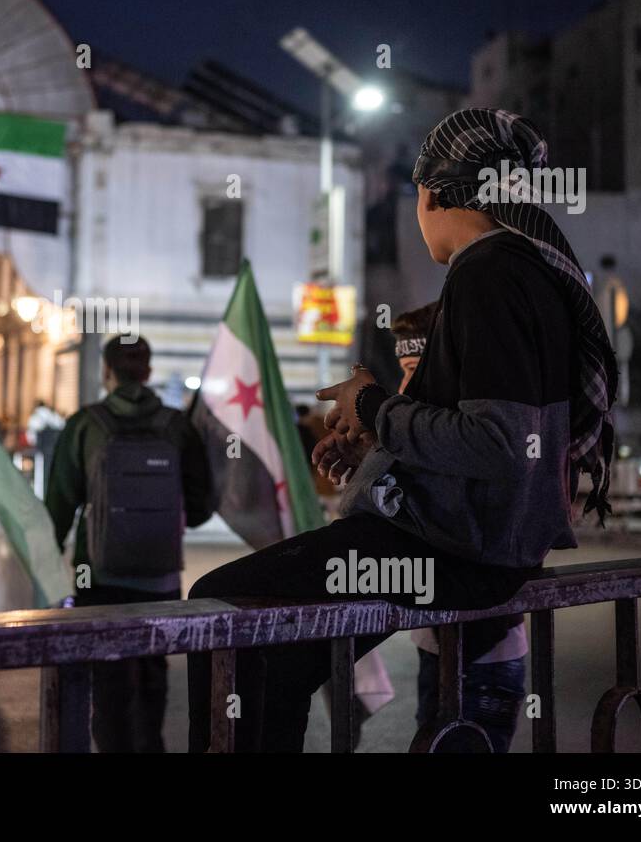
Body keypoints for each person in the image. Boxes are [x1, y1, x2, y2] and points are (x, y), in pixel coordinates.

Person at [188, 108, 617, 752]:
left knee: (221, 605)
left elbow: (499, 445)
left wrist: (374, 409)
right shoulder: (531, 273)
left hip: (452, 554)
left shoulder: (486, 270)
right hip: (484, 550)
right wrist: (379, 441)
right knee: (281, 650)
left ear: (435, 192)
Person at [46, 335, 212, 752]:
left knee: (107, 676)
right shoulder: (177, 425)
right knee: (152, 673)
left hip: (97, 574)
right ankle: (150, 744)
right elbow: (202, 504)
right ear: (149, 372)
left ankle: (112, 746)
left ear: (107, 372)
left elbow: (59, 506)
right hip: (159, 575)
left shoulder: (86, 424)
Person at [392, 301, 528, 753]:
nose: (404, 383)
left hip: (476, 653)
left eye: (415, 367)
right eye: (403, 368)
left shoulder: (465, 439)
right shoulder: (440, 433)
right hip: (448, 646)